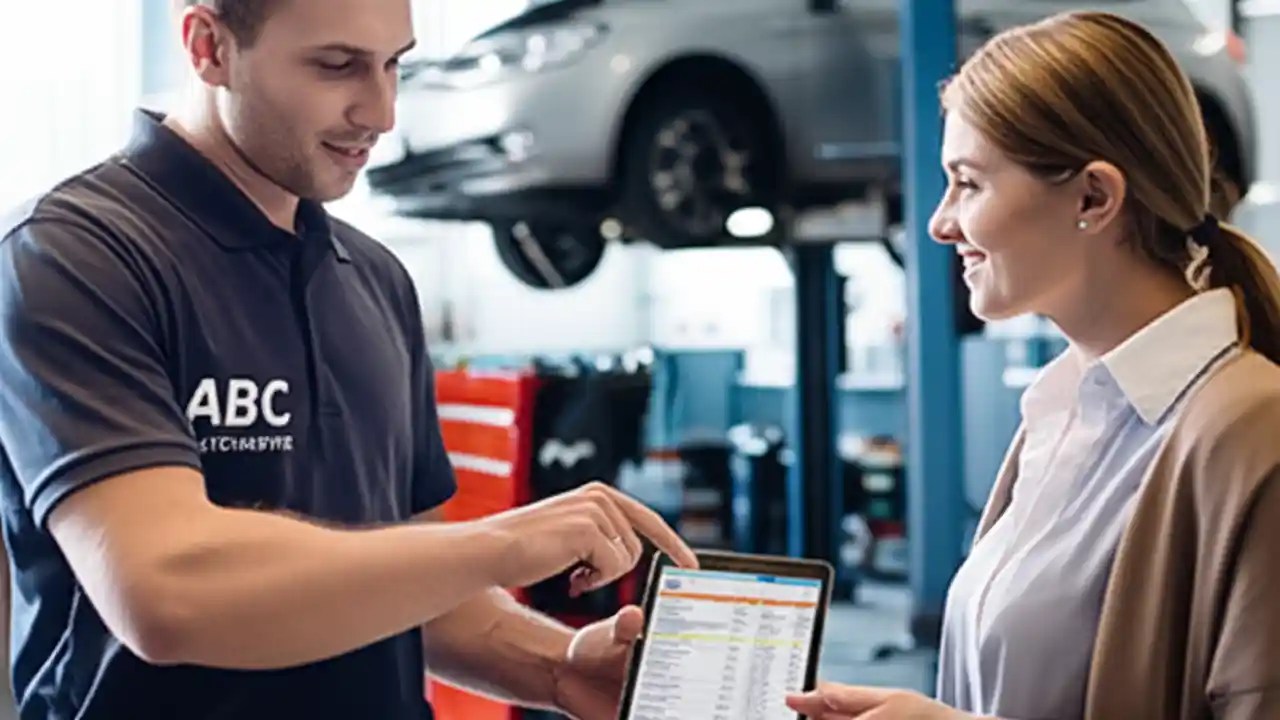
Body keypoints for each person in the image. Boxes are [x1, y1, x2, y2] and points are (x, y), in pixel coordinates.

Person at [0, 1, 698, 719]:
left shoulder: (374, 279)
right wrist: (503, 542)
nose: (382, 111)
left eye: (395, 64)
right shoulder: (72, 256)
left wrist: (557, 669)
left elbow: (414, 589)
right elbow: (168, 591)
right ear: (209, 46)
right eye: (337, 66)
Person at [787, 10, 1280, 720]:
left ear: (1093, 197)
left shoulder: (1248, 432)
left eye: (969, 184)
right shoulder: (1063, 410)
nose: (939, 222)